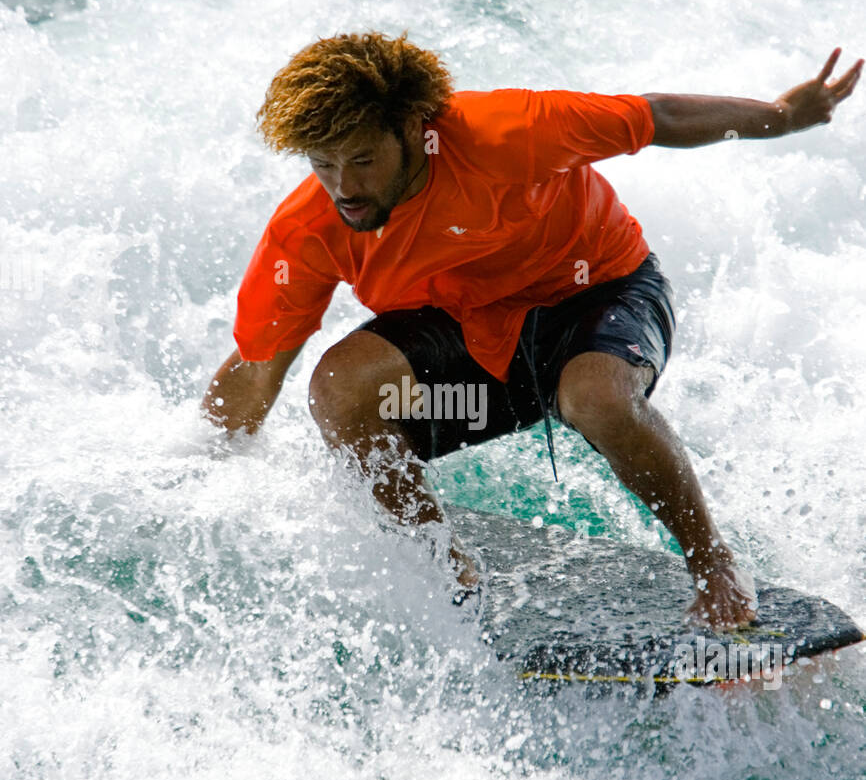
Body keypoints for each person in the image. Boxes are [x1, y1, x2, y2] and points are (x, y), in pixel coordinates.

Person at [202, 32, 862, 627]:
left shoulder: (505, 132)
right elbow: (258, 368)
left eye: (363, 160)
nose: (344, 187)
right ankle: (446, 574)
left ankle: (713, 563)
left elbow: (655, 116)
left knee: (596, 398)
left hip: (602, 295)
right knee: (339, 387)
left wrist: (783, 117)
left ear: (412, 127)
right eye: (323, 164)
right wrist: (199, 471)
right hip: (483, 350)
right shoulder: (309, 230)